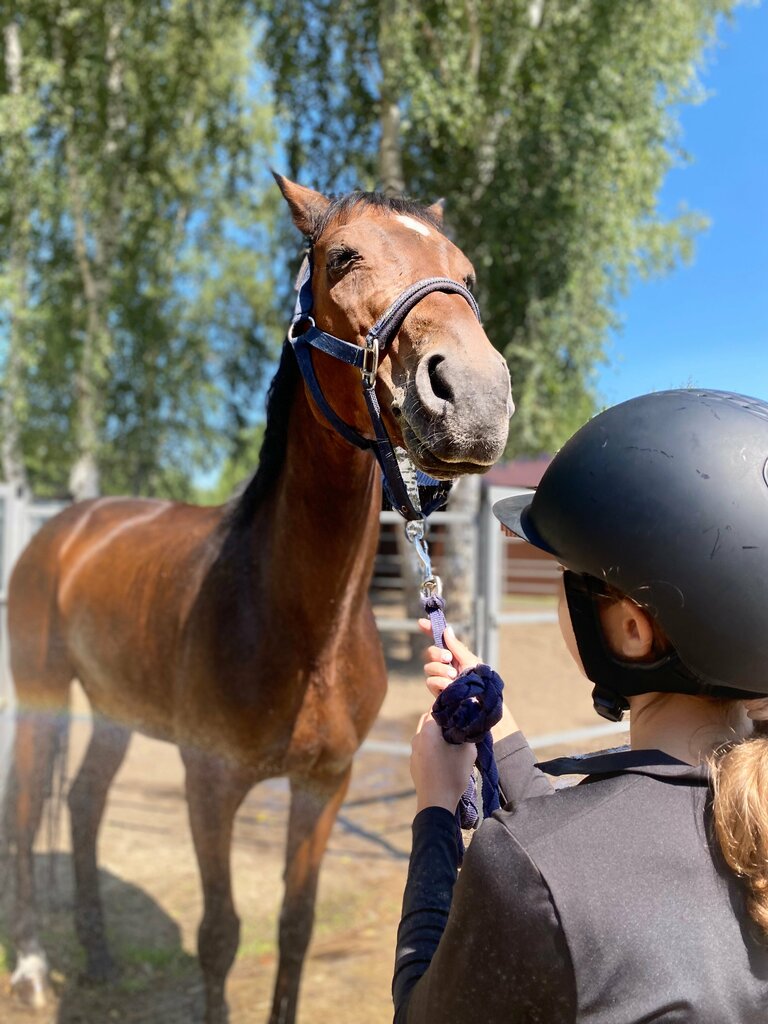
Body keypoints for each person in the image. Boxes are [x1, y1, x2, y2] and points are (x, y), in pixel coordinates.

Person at [392, 389, 768, 1024]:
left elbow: (420, 1012)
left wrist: (434, 809)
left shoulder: (528, 864)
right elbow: (606, 859)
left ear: (630, 629)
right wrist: (503, 738)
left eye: (566, 574)